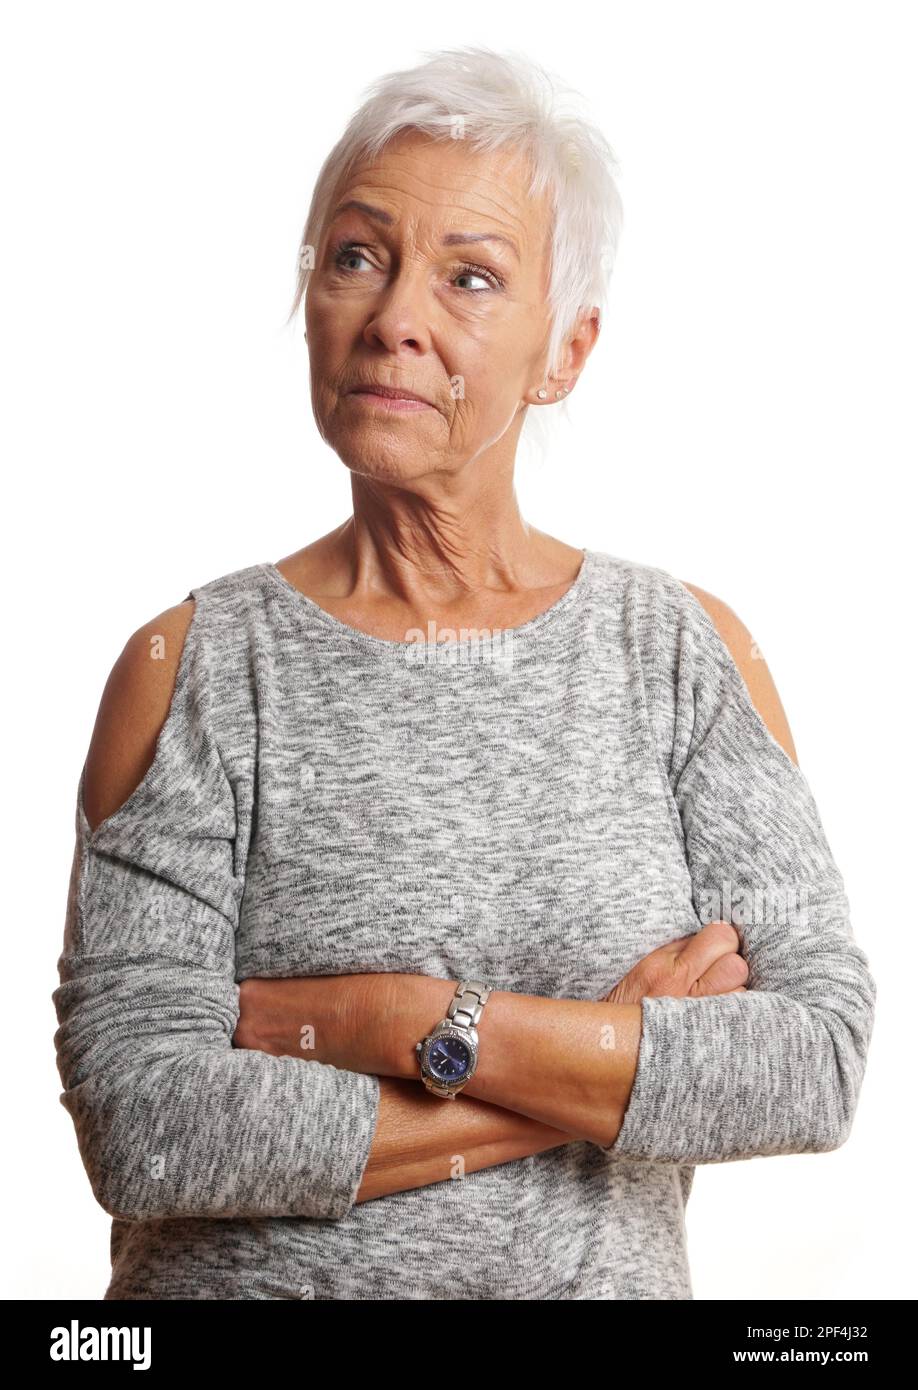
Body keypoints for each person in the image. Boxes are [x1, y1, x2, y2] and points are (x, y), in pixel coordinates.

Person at [53, 46, 876, 1300]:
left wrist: (407, 1019)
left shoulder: (683, 655)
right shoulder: (194, 670)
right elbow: (148, 1125)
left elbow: (810, 1063)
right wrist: (601, 1067)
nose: (396, 319)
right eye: (357, 255)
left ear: (566, 353)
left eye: (472, 277)